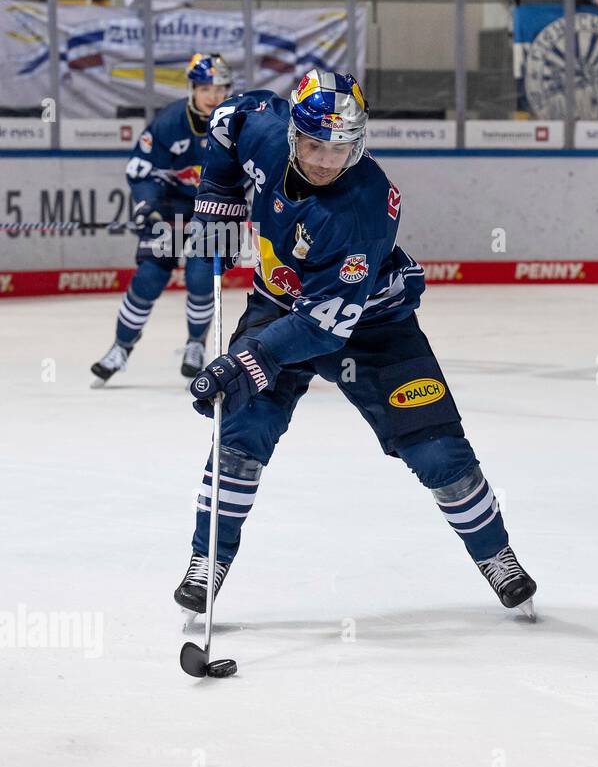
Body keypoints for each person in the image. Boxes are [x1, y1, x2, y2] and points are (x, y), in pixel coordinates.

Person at [173, 69, 538, 617]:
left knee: (438, 449)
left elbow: (322, 327)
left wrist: (242, 362)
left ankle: (497, 556)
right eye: (315, 144)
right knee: (239, 435)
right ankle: (208, 561)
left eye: (339, 147)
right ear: (294, 133)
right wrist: (218, 195)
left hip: (371, 324)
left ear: (358, 142)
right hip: (278, 306)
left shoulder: (363, 209)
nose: (325, 159)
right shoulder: (262, 131)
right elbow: (229, 118)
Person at [91, 53, 233, 386]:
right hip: (169, 209)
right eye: (206, 88)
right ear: (192, 89)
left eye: (222, 88)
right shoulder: (170, 122)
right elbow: (140, 170)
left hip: (216, 212)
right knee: (148, 277)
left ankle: (196, 345)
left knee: (200, 278)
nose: (215, 96)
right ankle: (121, 348)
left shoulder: (237, 123)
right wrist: (147, 205)